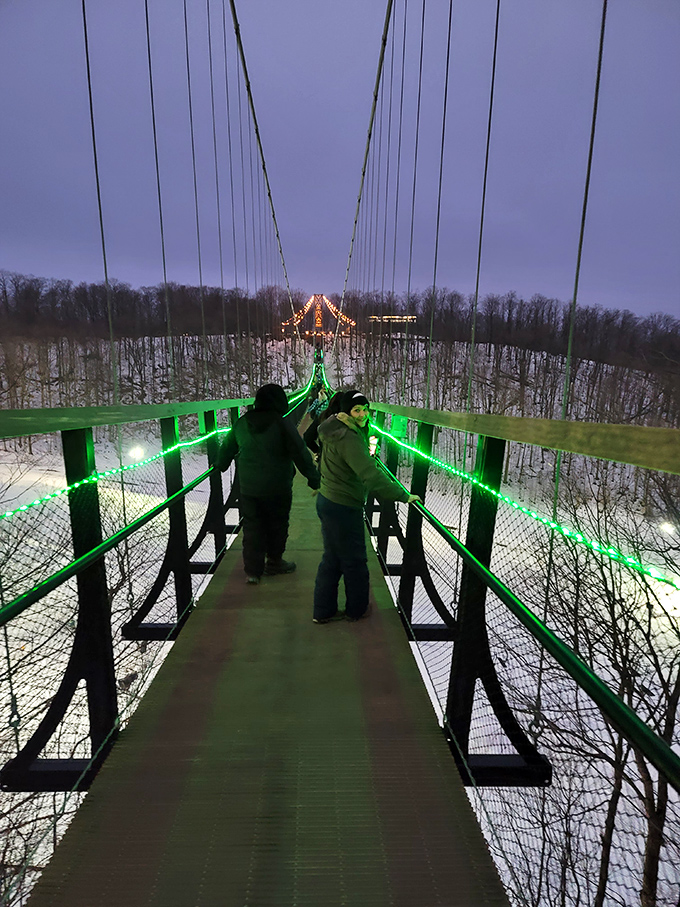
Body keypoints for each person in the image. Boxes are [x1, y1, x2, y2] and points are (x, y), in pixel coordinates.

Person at [313, 390, 420, 623]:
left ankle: (323, 611)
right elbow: (370, 475)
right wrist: (402, 495)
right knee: (355, 561)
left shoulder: (334, 427)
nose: (363, 415)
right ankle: (357, 610)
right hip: (343, 505)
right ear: (345, 413)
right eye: (356, 410)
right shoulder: (348, 438)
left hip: (328, 499)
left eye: (365, 409)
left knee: (332, 558)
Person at [218, 383, 320, 585]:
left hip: (249, 488)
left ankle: (253, 572)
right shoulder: (282, 424)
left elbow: (227, 447)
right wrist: (314, 479)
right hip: (278, 487)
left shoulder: (242, 422)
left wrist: (220, 464)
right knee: (277, 524)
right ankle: (274, 561)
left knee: (252, 526)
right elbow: (300, 452)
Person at [303, 386, 357, 457]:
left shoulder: (323, 417)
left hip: (326, 460)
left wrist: (319, 452)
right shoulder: (348, 420)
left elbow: (307, 437)